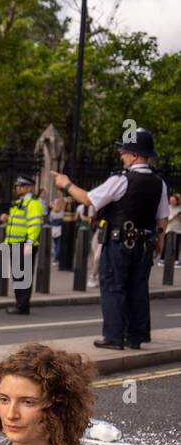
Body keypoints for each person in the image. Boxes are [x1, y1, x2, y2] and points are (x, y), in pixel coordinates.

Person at [55, 129, 168, 350]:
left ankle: (114, 337)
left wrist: (66, 184)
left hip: (120, 243)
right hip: (145, 243)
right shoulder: (159, 182)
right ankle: (136, 336)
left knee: (114, 287)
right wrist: (160, 241)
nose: (121, 155)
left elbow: (88, 199)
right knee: (138, 288)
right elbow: (162, 218)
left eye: (124, 151)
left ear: (135, 155)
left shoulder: (121, 180)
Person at [0, 174, 43, 316]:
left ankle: (23, 306)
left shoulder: (33, 203)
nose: (19, 188)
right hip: (15, 243)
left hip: (25, 244)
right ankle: (20, 304)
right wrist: (7, 219)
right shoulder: (20, 202)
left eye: (22, 185)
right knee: (18, 275)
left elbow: (35, 225)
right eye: (18, 185)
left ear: (30, 187)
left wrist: (29, 244)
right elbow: (18, 224)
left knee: (23, 276)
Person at [165, 193, 181, 266]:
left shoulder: (179, 209)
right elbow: (166, 220)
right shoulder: (167, 208)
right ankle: (163, 259)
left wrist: (179, 216)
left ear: (177, 201)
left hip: (178, 230)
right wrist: (174, 216)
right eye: (171, 200)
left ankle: (176, 260)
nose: (172, 202)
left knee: (177, 246)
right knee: (166, 245)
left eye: (174, 200)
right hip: (168, 229)